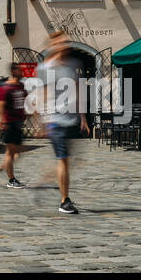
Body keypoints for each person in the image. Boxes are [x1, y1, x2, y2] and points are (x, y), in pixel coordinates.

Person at [33, 33, 90, 215]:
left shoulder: (74, 65)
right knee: (63, 160)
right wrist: (42, 122)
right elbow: (41, 94)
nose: (65, 44)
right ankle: (65, 201)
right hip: (54, 120)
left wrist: (83, 117)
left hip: (71, 120)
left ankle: (42, 183)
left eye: (66, 42)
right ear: (53, 45)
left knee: (69, 161)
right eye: (61, 42)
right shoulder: (44, 68)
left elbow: (78, 91)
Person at [0, 64, 34, 188]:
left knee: (16, 153)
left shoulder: (20, 86)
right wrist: (1, 122)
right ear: (13, 71)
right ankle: (11, 180)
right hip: (8, 123)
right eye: (21, 70)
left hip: (18, 122)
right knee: (10, 152)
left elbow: (25, 100)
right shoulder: (5, 88)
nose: (23, 72)